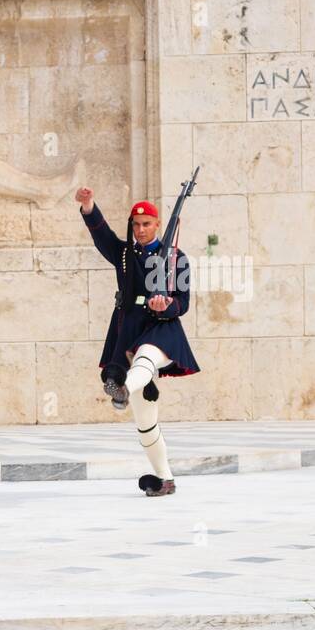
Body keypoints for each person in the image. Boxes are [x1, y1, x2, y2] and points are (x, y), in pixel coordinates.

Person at [78, 187, 200, 497]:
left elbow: (182, 302)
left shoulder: (176, 259)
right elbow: (102, 235)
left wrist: (166, 306)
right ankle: (165, 479)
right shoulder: (123, 254)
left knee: (146, 356)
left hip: (162, 330)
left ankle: (122, 388)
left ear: (158, 225)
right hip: (128, 329)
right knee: (145, 422)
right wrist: (90, 206)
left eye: (146, 224)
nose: (140, 230)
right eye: (136, 224)